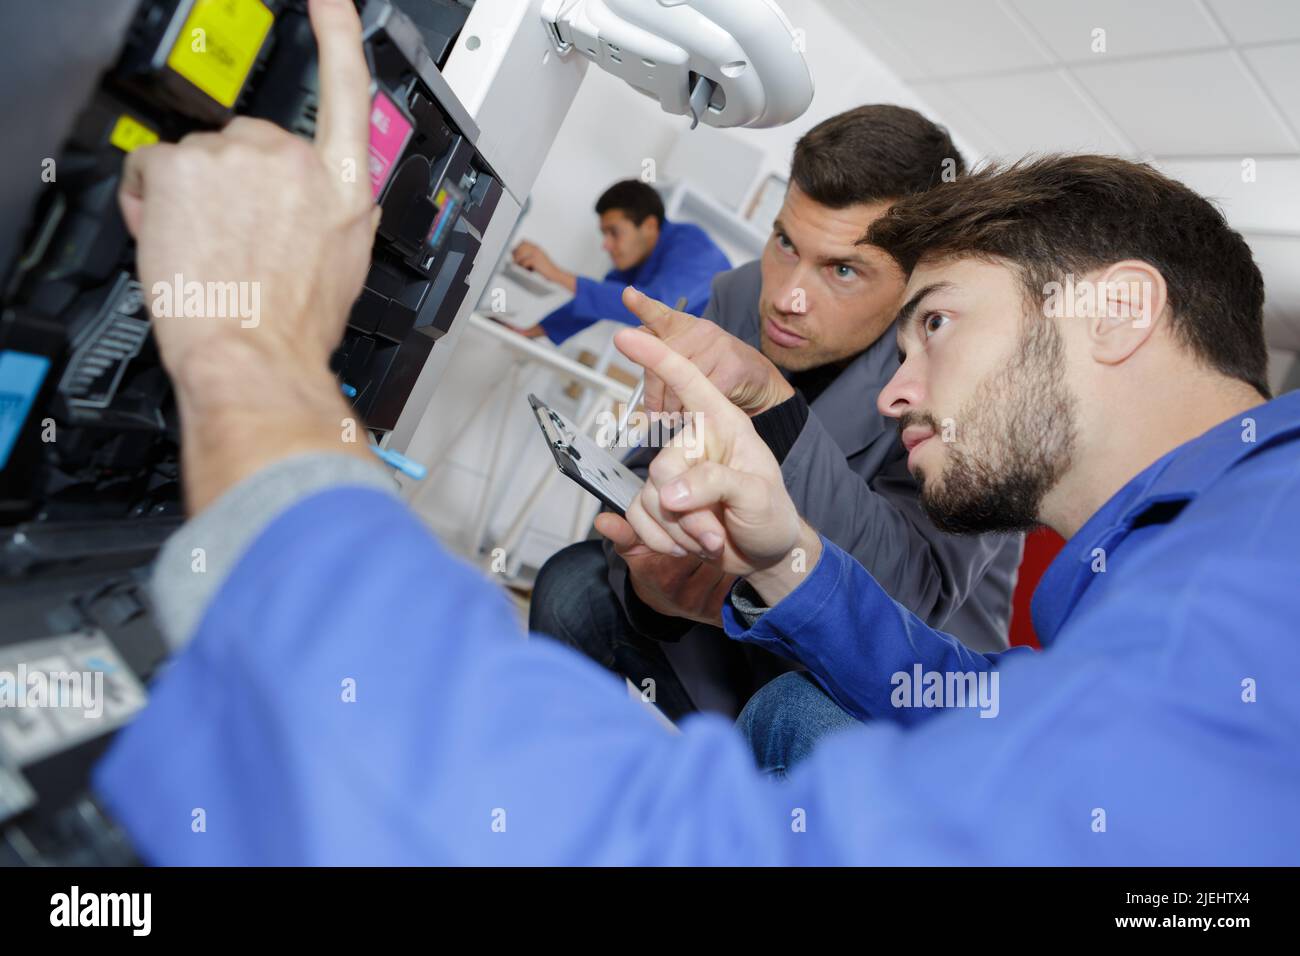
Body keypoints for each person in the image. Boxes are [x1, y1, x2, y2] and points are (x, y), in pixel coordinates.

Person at [93, 0, 1299, 864]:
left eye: (933, 321)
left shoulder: (1256, 584)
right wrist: (788, 562)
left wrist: (252, 362)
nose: (894, 382)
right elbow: (994, 713)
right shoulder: (1208, 552)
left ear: (1118, 310)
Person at [530, 105, 1021, 723]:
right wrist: (656, 587)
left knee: (795, 713)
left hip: (885, 691)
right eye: (786, 241)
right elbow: (638, 473)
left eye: (842, 270)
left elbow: (909, 595)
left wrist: (773, 404)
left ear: (918, 283)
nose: (787, 297)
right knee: (574, 585)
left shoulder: (974, 382)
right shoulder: (737, 296)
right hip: (730, 621)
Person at [507, 179, 729, 344]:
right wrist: (532, 331)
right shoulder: (641, 258)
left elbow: (656, 306)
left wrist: (555, 274)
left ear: (649, 226)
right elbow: (602, 299)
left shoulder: (694, 248)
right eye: (605, 234)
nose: (606, 245)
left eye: (614, 233)